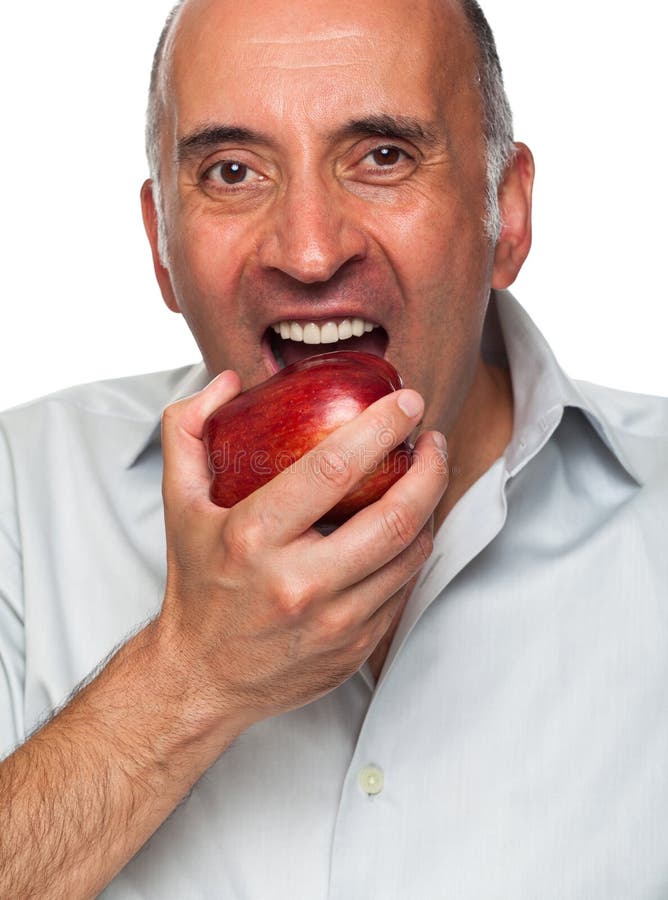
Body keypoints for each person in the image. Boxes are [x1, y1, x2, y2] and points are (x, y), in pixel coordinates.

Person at [0, 0, 666, 896]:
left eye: (384, 157)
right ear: (160, 247)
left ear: (505, 213)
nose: (309, 252)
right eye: (234, 171)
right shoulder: (19, 493)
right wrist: (191, 675)